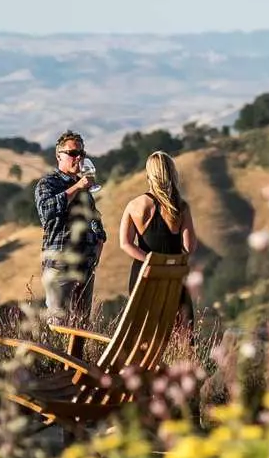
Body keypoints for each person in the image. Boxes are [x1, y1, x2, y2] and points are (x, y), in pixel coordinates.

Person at [117, 150, 197, 326]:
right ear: (171, 173)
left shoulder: (134, 205)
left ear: (149, 175)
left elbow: (125, 244)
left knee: (145, 331)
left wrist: (151, 261)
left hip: (143, 277)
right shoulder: (181, 207)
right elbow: (189, 247)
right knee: (182, 334)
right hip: (173, 277)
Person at [34, 130, 106, 323]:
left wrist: (99, 239)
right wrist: (76, 188)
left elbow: (94, 219)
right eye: (73, 153)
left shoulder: (84, 189)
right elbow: (47, 212)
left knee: (81, 326)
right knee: (58, 324)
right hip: (61, 267)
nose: (78, 158)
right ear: (59, 156)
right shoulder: (48, 184)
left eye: (81, 153)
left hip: (85, 267)